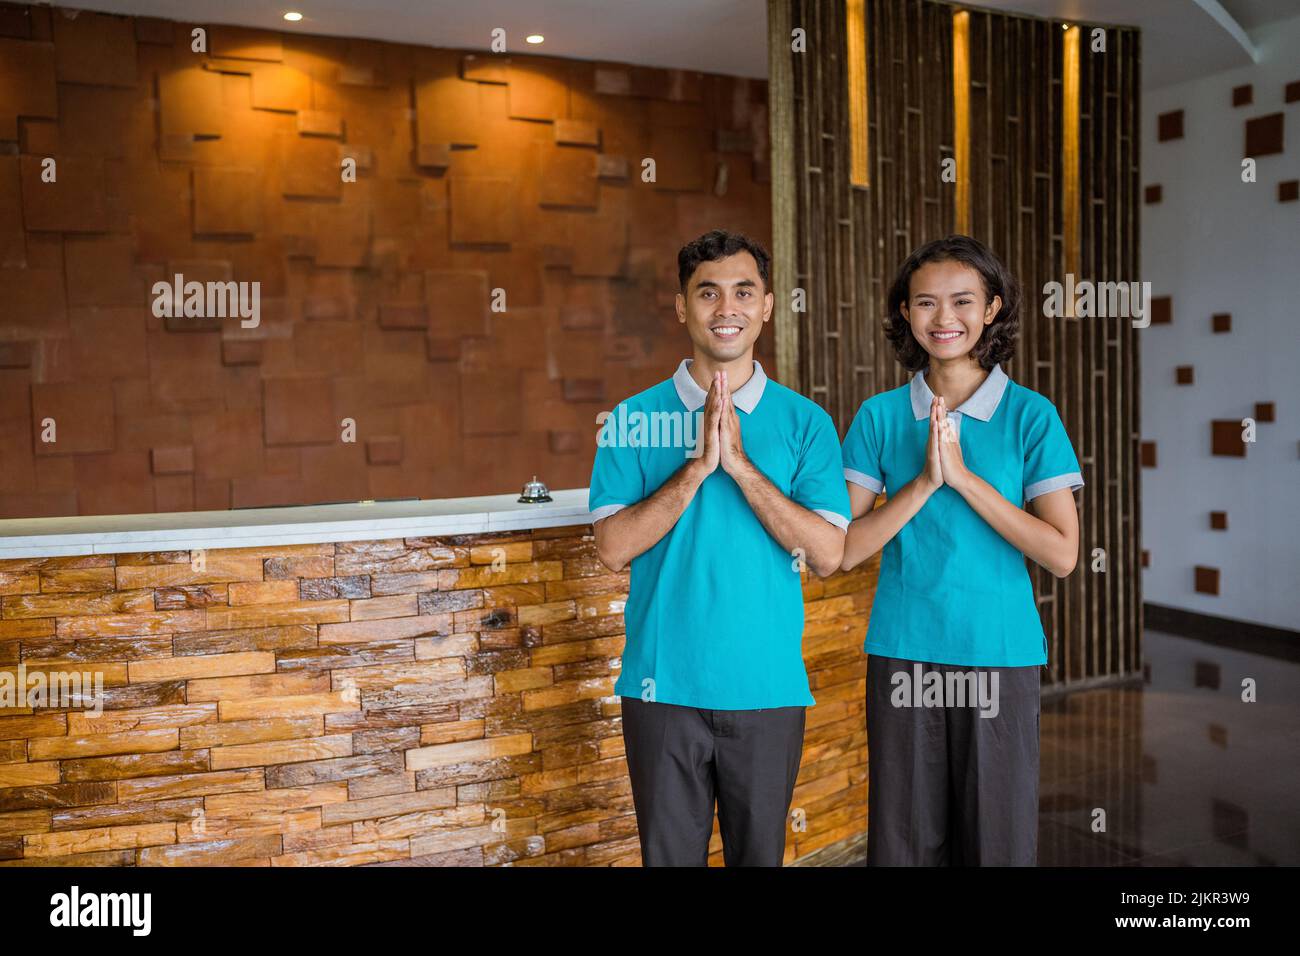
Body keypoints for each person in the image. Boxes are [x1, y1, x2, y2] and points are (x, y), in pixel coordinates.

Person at [588, 229, 851, 866]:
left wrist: (740, 467)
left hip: (767, 689)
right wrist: (697, 469)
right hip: (661, 691)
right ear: (682, 306)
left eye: (743, 292)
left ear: (767, 306)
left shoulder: (805, 423)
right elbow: (612, 548)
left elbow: (827, 553)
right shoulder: (632, 419)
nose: (725, 308)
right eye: (708, 293)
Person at [840, 234, 1084, 866]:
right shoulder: (879, 417)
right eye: (924, 303)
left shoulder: (1031, 416)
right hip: (903, 651)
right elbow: (843, 551)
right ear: (904, 313)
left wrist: (966, 479)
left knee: (996, 841)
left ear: (993, 309)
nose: (944, 319)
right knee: (904, 842)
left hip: (998, 652)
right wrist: (923, 483)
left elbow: (1061, 553)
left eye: (962, 301)